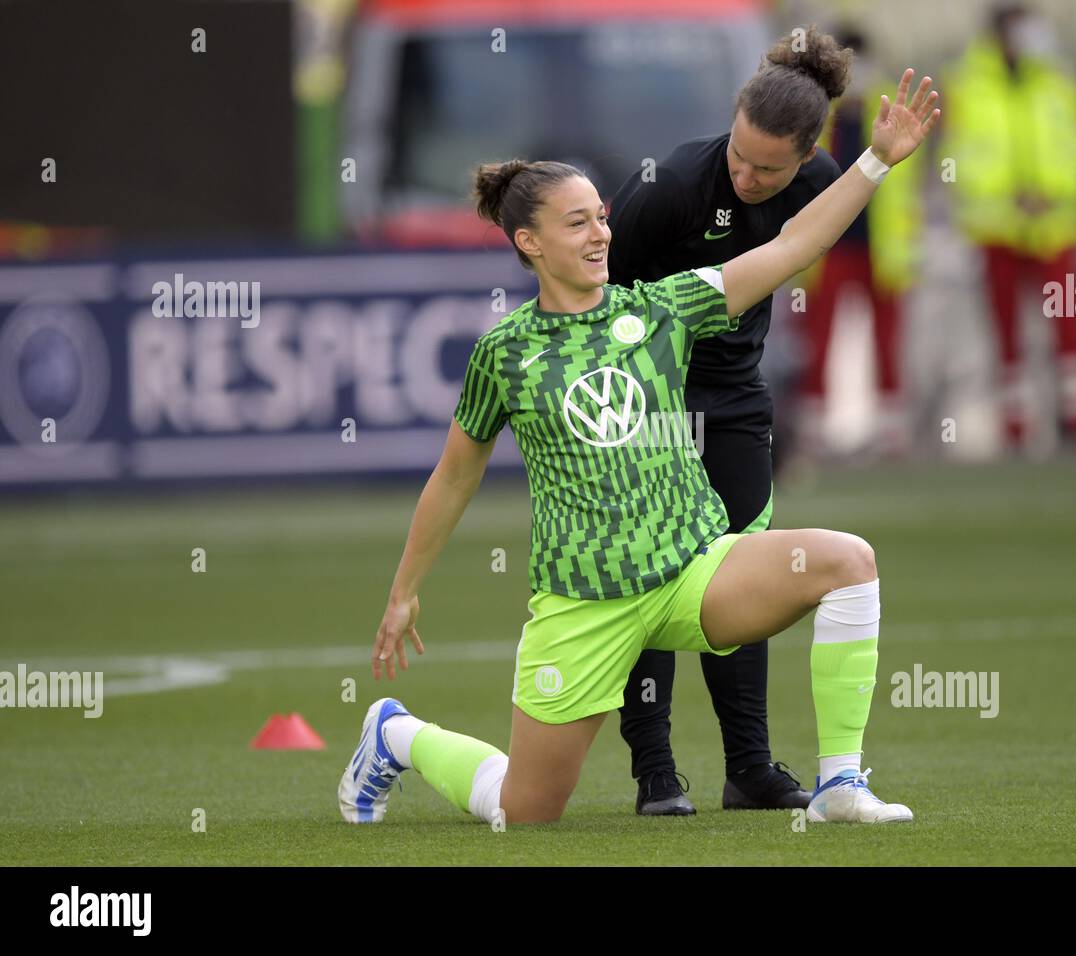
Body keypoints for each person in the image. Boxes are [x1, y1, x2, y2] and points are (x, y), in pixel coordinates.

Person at [338, 69, 941, 828]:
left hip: (692, 573)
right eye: (576, 223)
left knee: (848, 561)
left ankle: (840, 783)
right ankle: (396, 733)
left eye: (600, 217)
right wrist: (402, 594)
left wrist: (877, 162)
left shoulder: (665, 307)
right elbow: (454, 479)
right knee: (524, 813)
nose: (600, 234)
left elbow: (793, 246)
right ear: (529, 243)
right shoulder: (505, 353)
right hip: (586, 602)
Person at [603, 27, 849, 816]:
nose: (746, 175)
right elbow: (598, 300)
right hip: (649, 402)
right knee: (651, 579)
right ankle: (655, 775)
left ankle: (749, 769)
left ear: (804, 156)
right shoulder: (672, 184)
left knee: (743, 577)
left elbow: (837, 226)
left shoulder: (819, 183)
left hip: (737, 402)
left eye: (768, 168)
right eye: (739, 156)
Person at [941, 3, 1076, 446]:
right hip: (997, 227)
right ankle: (1015, 426)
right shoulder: (968, 85)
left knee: (1071, 326)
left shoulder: (1059, 79)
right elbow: (959, 157)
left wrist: (1053, 191)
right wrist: (1008, 194)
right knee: (1006, 332)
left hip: (1057, 225)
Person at [798, 27, 924, 461]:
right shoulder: (814, 111)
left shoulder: (894, 106)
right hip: (827, 246)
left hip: (881, 246)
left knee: (888, 341)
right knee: (818, 337)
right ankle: (812, 429)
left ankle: (892, 431)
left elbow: (909, 182)